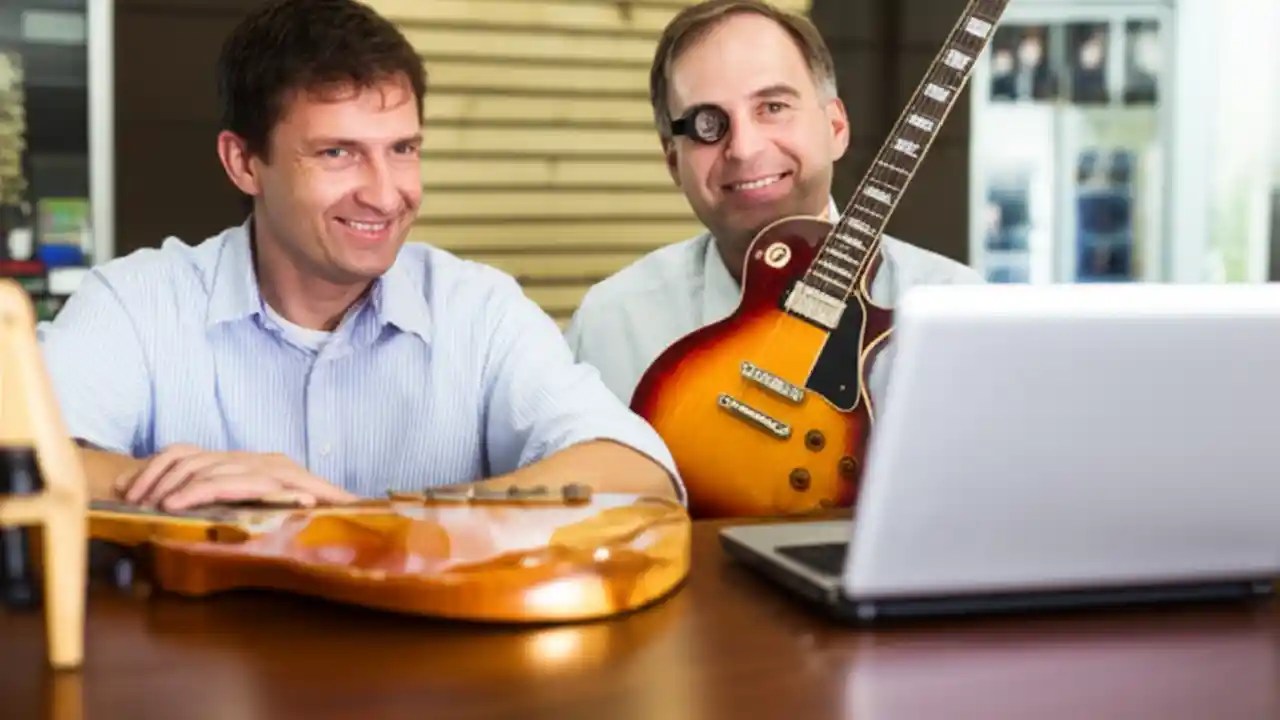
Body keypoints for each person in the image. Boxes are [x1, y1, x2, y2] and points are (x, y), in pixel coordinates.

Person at [36, 0, 681, 511]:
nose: (384, 194)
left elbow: (639, 473)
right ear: (243, 162)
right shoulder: (135, 300)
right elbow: (25, 472)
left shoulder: (479, 310)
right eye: (337, 153)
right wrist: (209, 493)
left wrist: (374, 516)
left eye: (402, 149)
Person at [565, 0, 981, 410]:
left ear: (835, 127)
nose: (744, 149)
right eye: (706, 123)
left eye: (774, 107)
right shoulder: (610, 325)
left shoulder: (961, 313)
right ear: (674, 160)